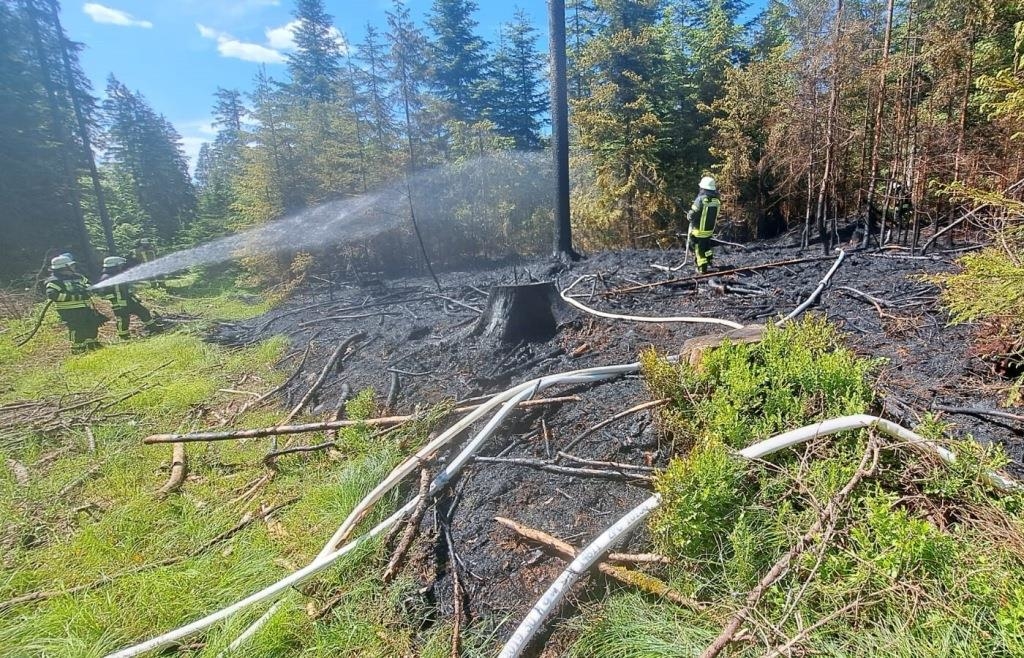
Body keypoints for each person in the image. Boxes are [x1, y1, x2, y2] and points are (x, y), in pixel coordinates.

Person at [45, 254, 105, 353]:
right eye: (71, 265)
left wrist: (88, 289)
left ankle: (92, 344)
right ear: (64, 267)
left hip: (84, 307)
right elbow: (53, 295)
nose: (74, 267)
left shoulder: (78, 277)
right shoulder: (55, 281)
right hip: (69, 310)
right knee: (77, 328)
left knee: (91, 324)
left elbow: (88, 284)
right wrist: (76, 296)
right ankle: (77, 348)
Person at [98, 256, 161, 340]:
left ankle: (153, 328)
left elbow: (126, 289)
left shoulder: (118, 275)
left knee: (143, 311)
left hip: (129, 300)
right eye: (120, 265)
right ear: (115, 265)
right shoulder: (106, 277)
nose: (122, 267)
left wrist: (133, 297)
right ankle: (124, 336)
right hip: (119, 304)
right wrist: (117, 300)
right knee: (123, 320)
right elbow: (104, 293)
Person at [686, 175, 721, 273]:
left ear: (703, 188)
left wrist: (689, 216)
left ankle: (702, 268)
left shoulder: (701, 200)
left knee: (698, 248)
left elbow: (693, 213)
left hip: (699, 231)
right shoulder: (716, 201)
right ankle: (709, 260)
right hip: (709, 231)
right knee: (706, 246)